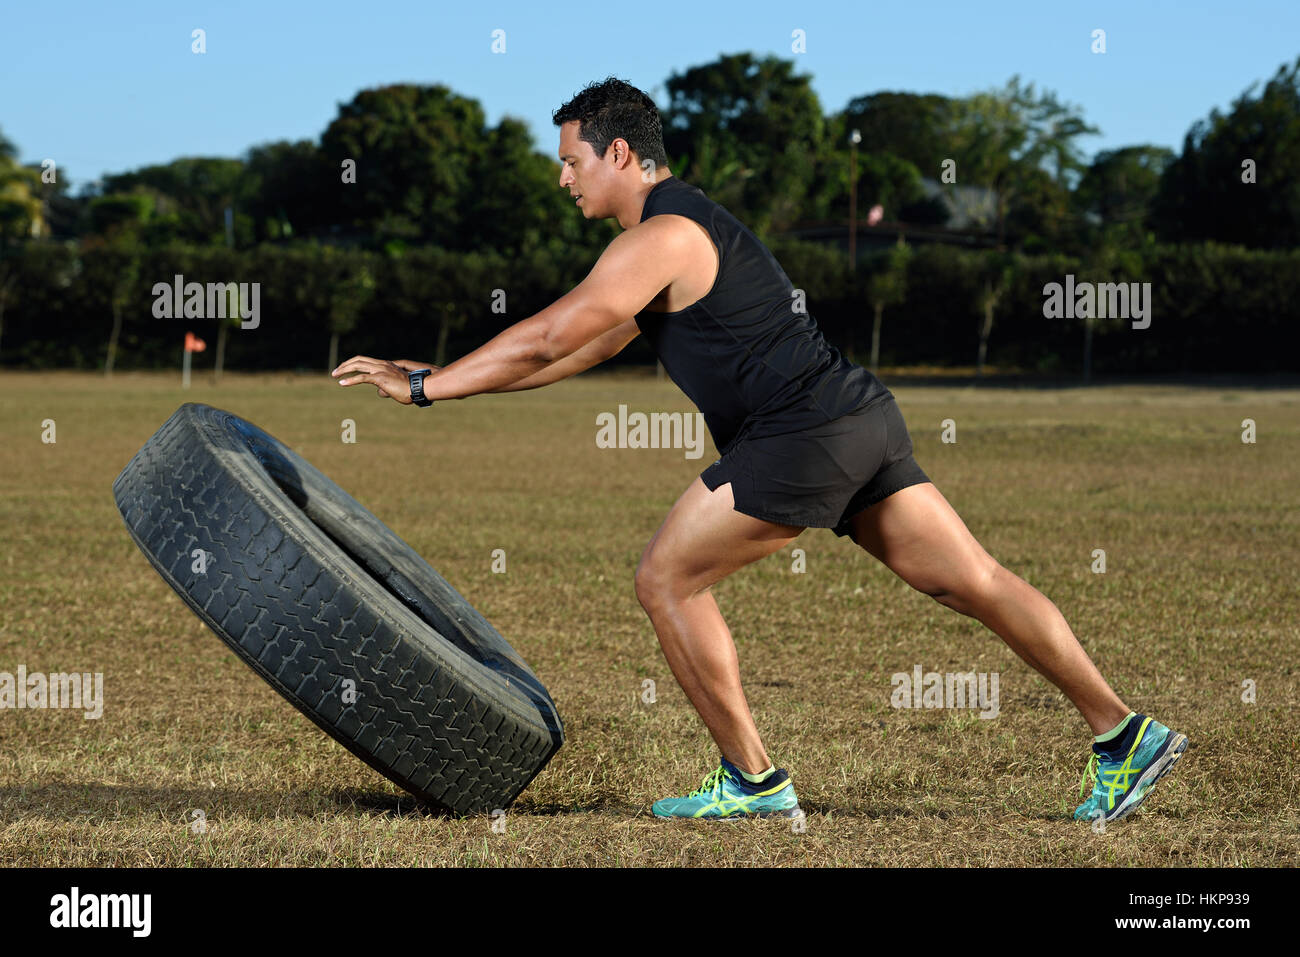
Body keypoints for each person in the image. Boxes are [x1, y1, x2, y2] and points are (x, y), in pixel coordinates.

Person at [332, 77, 1187, 823]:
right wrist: (442, 374)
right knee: (977, 581)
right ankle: (1126, 735)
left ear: (619, 152)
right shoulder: (677, 230)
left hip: (802, 432)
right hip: (856, 416)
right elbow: (576, 350)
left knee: (666, 578)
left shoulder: (659, 237)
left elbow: (551, 331)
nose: (562, 179)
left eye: (571, 161)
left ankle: (753, 780)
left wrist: (422, 389)